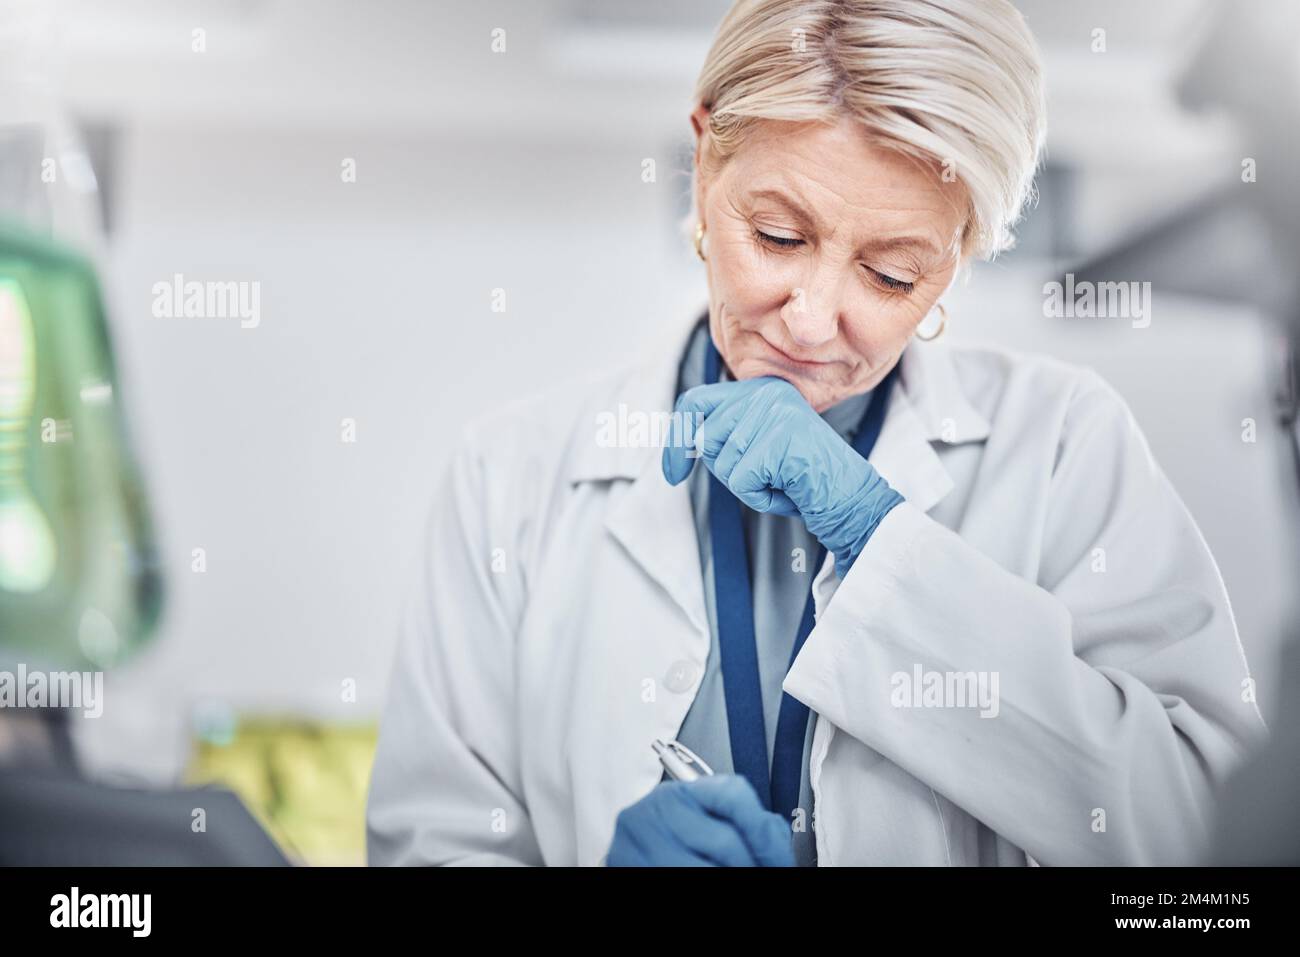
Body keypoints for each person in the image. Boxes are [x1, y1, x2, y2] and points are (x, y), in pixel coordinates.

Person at [366, 0, 1267, 866]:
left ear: (958, 255)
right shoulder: (509, 479)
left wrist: (880, 539)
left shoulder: (1065, 444)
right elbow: (432, 843)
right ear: (704, 160)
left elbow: (1206, 842)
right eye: (777, 236)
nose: (808, 322)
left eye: (888, 274)